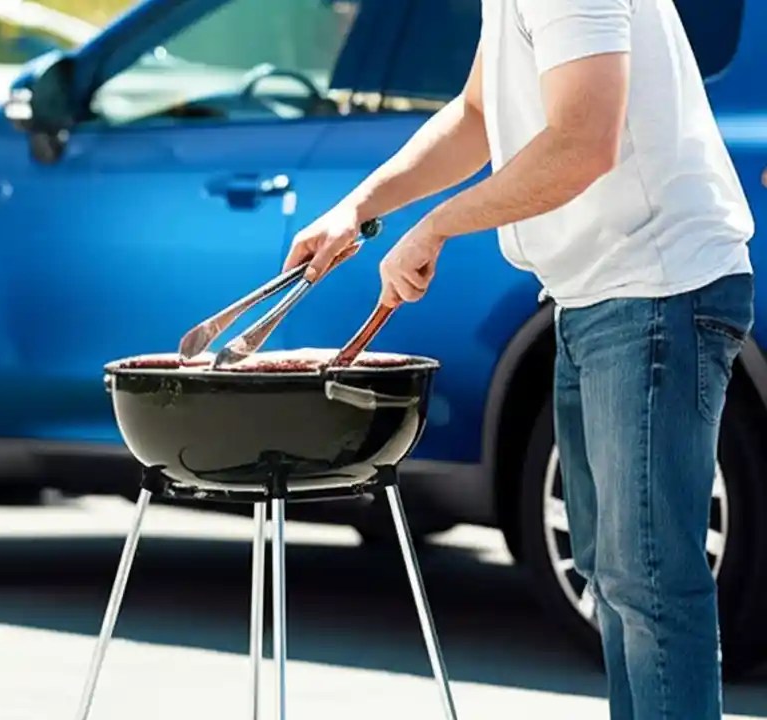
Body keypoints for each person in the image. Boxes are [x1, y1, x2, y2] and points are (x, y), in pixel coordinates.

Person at [288, 0, 752, 718]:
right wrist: (360, 207)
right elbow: (478, 113)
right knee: (613, 577)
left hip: (656, 289)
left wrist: (437, 226)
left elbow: (584, 141)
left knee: (650, 581)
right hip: (592, 296)